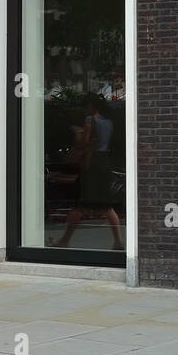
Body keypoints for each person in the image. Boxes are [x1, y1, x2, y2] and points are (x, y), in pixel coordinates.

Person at [49, 95, 123, 250]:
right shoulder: (108, 122)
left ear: (90, 106)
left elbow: (84, 143)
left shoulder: (90, 120)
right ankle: (118, 241)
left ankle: (64, 240)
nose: (84, 110)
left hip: (92, 163)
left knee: (80, 204)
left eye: (85, 107)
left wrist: (77, 133)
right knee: (106, 205)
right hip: (104, 162)